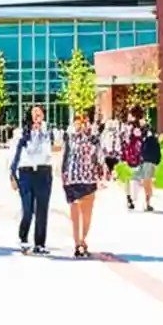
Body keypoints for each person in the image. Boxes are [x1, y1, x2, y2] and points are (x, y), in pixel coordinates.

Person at [10, 104, 60, 255]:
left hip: (44, 171)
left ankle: (40, 243)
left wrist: (45, 133)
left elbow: (56, 147)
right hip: (26, 172)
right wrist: (12, 174)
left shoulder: (49, 131)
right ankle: (23, 237)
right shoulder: (21, 133)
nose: (37, 116)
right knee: (27, 209)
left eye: (40, 113)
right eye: (34, 113)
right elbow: (15, 154)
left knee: (42, 210)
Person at [62, 110, 106, 257]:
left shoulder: (94, 138)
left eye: (84, 120)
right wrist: (63, 174)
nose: (81, 124)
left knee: (87, 214)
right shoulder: (69, 137)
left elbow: (99, 157)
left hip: (89, 178)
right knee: (75, 214)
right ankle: (77, 243)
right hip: (73, 178)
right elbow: (65, 156)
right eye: (78, 120)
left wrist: (102, 174)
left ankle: (83, 239)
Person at [121, 106, 156, 212]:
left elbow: (125, 142)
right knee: (147, 179)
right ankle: (147, 203)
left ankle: (131, 198)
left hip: (134, 157)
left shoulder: (130, 127)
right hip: (147, 155)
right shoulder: (146, 126)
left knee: (135, 178)